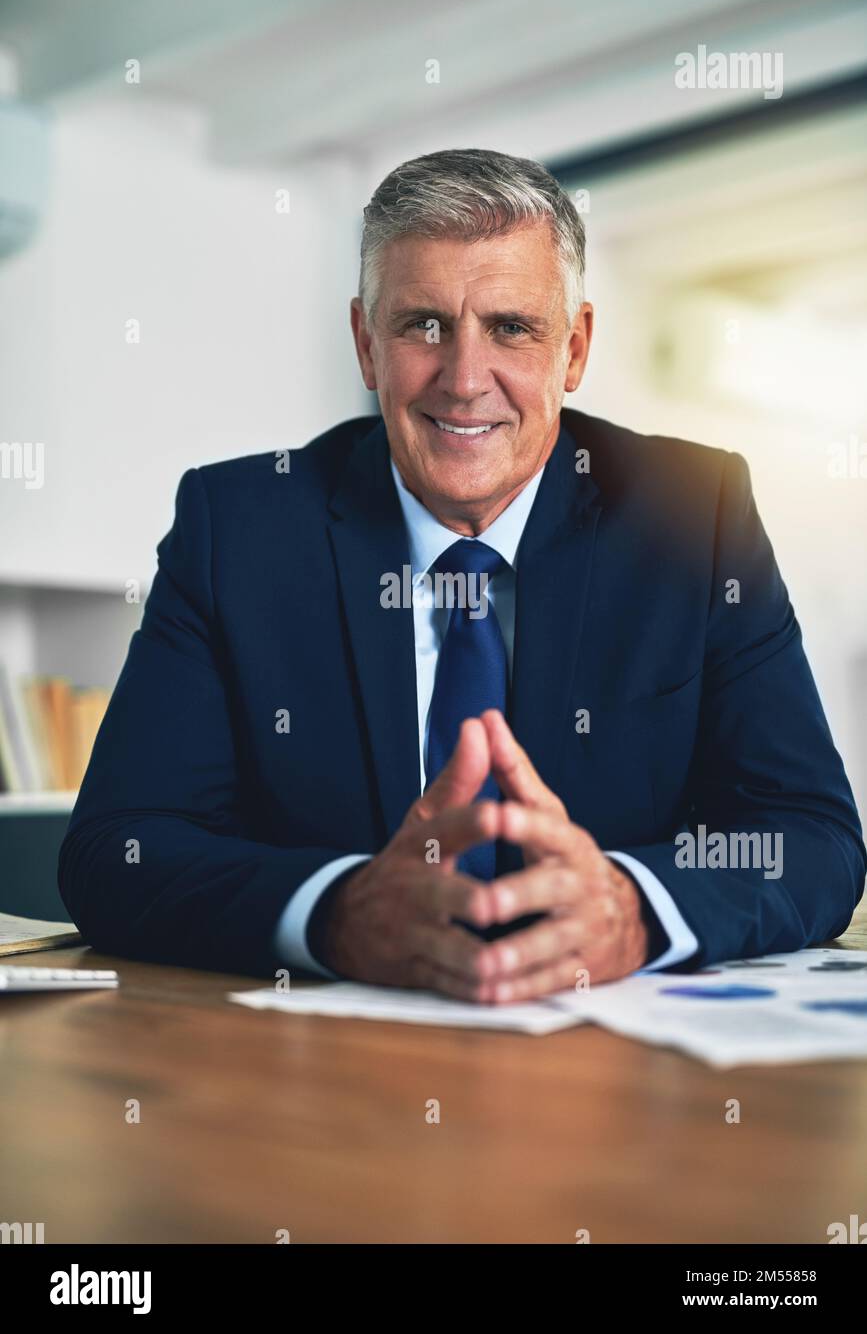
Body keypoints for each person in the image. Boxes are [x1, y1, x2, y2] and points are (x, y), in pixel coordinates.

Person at [59, 148, 865, 1003]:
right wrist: (338, 912)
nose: (465, 380)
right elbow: (119, 846)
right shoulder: (240, 529)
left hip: (610, 1073)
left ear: (575, 348)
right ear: (367, 345)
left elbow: (809, 839)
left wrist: (631, 909)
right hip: (321, 1074)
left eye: (511, 328)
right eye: (422, 325)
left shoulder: (693, 516)